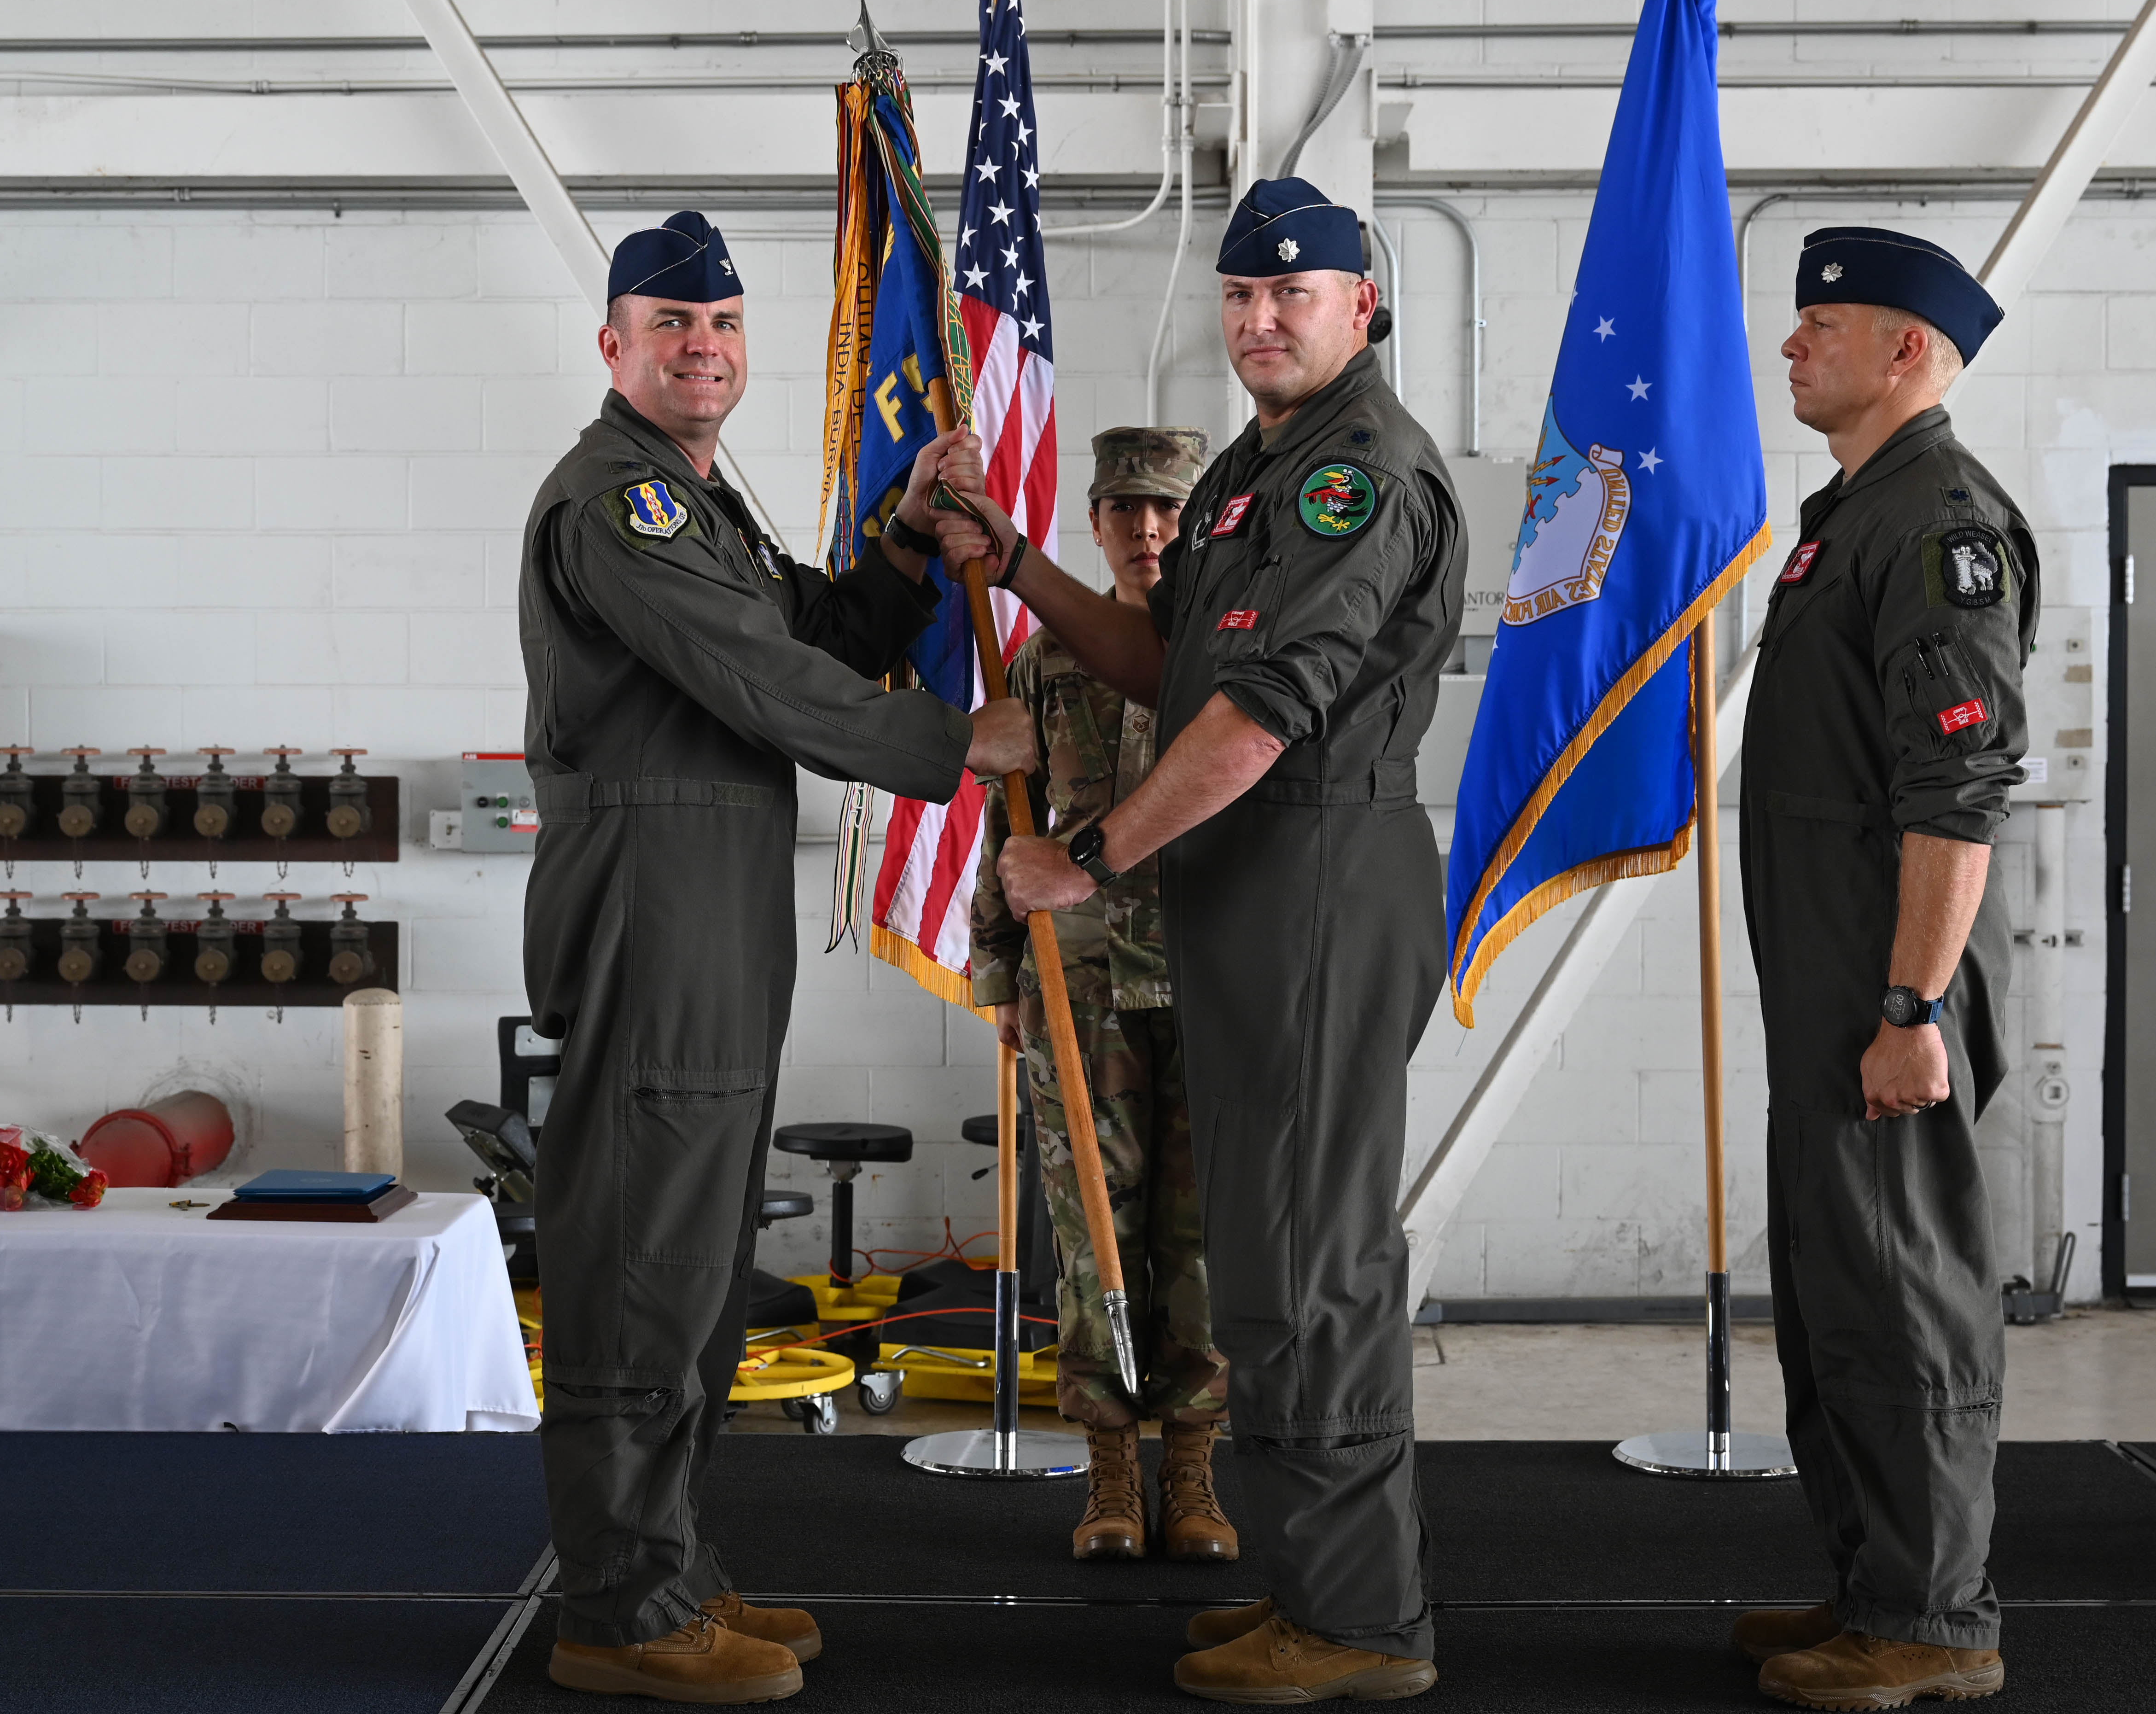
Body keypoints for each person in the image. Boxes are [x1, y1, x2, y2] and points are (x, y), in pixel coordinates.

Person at [934, 177, 1463, 1704]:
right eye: (1240, 293)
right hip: (1241, 887)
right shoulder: (1256, 463)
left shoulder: (1354, 470)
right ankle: (1316, 1584)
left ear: (1361, 304)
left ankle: (1364, 1620)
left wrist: (1087, 856)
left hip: (1312, 872)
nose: (1259, 317)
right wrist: (1022, 564)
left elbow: (1255, 717)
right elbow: (1172, 666)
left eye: (1294, 293)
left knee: (1314, 1268)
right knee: (1261, 1268)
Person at [517, 209, 1035, 1705]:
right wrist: (956, 743)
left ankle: (662, 1560)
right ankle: (618, 1605)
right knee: (637, 1259)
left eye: (726, 324)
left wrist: (905, 531)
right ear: (614, 346)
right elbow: (759, 677)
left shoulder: (700, 502)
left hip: (709, 901)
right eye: (673, 326)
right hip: (651, 901)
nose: (705, 347)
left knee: (689, 1253)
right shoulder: (618, 504)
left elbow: (819, 625)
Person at [1732, 226, 2038, 1710]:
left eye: (1820, 323)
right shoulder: (1853, 514)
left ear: (1906, 349)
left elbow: (1957, 789)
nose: (1790, 346)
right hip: (1828, 973)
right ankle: (1873, 1584)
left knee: (1906, 1293)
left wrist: (1912, 1006)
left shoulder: (1937, 522)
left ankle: (1934, 1620)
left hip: (1882, 978)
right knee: (1837, 1293)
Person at [965, 425, 1236, 1566]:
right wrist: (999, 972)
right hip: (1078, 988)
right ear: (1094, 524)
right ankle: (1110, 1475)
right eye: (1125, 511)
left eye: (1167, 510)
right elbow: (1004, 826)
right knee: (1091, 1236)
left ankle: (1192, 1472)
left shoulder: (1228, 659)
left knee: (1200, 1243)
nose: (1146, 531)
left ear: (1201, 524)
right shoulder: (1043, 664)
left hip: (1211, 985)